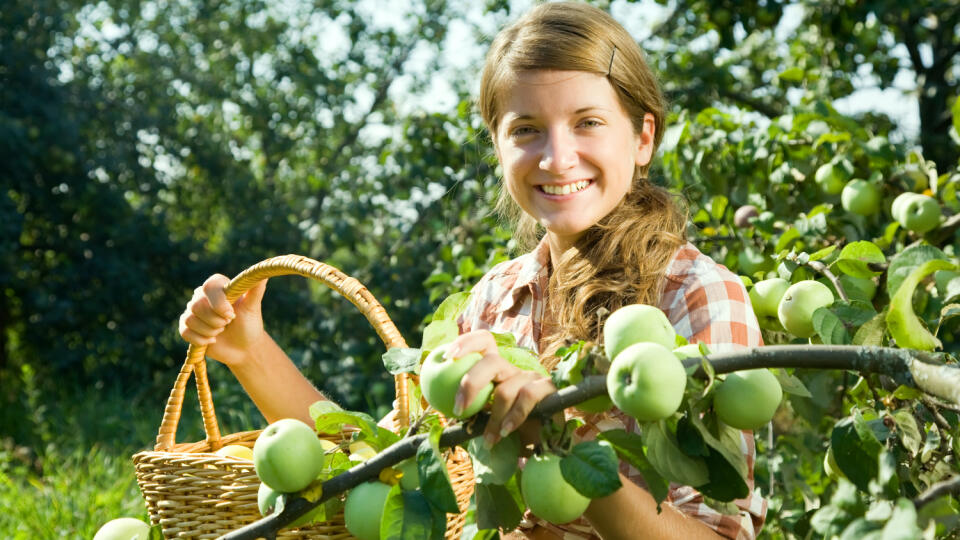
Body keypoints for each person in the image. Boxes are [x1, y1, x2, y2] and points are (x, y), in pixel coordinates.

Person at [179, 2, 767, 539]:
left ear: (643, 138)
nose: (557, 157)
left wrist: (555, 434)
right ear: (498, 145)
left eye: (588, 122)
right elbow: (383, 461)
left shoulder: (697, 296)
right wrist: (250, 351)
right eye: (526, 129)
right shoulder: (497, 300)